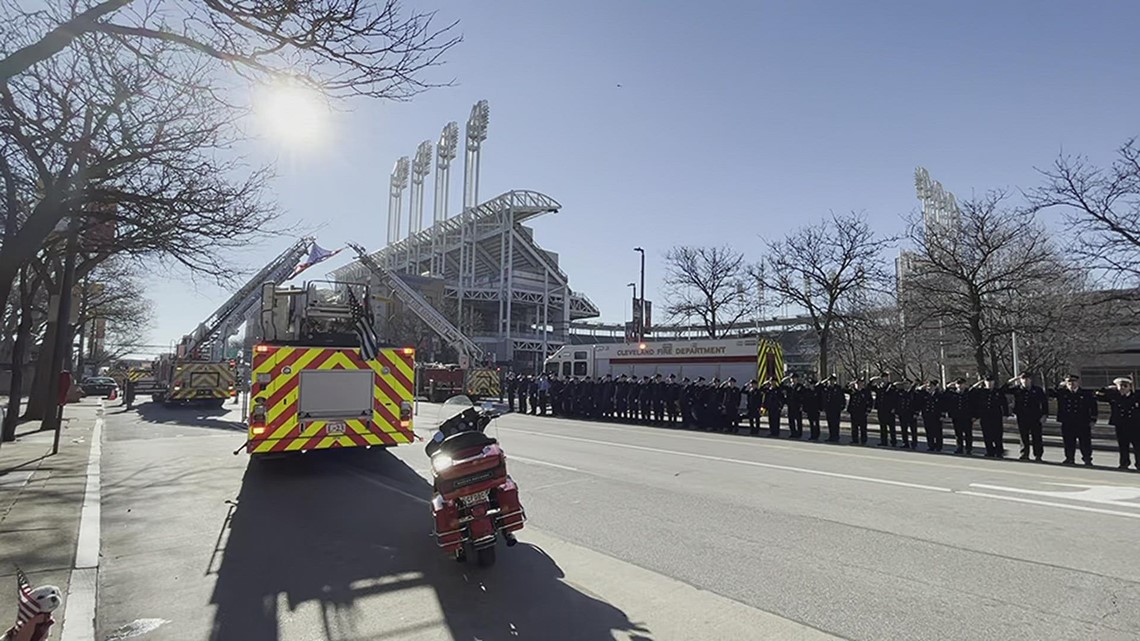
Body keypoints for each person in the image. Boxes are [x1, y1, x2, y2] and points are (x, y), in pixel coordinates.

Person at [1050, 374, 1098, 466]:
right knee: (1068, 441)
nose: (1071, 384)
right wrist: (1059, 386)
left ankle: (1087, 459)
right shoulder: (1062, 393)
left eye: (1073, 382)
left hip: (1082, 421)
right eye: (1069, 382)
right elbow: (1049, 393)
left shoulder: (1086, 394)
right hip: (1067, 421)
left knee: (1085, 442)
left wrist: (1093, 419)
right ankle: (1069, 458)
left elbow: (1093, 407)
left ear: (1078, 382)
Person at [1002, 373, 1050, 461]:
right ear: (1020, 380)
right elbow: (1003, 390)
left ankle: (1038, 455)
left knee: (1037, 437)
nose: (1025, 381)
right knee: (1023, 436)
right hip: (1022, 416)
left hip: (1035, 416)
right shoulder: (1017, 389)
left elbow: (1044, 403)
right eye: (1023, 379)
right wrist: (1012, 381)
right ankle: (1024, 454)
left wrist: (1044, 415)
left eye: (1027, 379)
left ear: (1030, 380)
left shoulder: (1037, 390)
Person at [1095, 377, 1139, 470]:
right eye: (1120, 386)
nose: (1122, 388)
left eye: (1125, 386)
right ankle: (1124, 463)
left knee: (1138, 446)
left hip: (1135, 425)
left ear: (1130, 387)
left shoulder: (1136, 397)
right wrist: (1106, 388)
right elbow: (1097, 395)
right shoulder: (1114, 396)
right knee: (1123, 446)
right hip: (1121, 425)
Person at [971, 375, 1009, 458]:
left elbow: (1004, 403)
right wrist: (979, 382)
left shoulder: (998, 392)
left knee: (998, 434)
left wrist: (1005, 414)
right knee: (987, 435)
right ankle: (990, 451)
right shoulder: (981, 392)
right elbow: (971, 391)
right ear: (984, 382)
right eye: (987, 381)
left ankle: (999, 451)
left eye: (991, 381)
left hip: (996, 416)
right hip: (985, 416)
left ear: (994, 382)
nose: (989, 383)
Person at [944, 379, 974, 454]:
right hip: (956, 417)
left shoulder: (969, 393)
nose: (960, 386)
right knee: (958, 434)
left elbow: (974, 404)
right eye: (958, 384)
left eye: (962, 384)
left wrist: (974, 416)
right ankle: (959, 447)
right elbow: (944, 397)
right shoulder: (953, 393)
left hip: (967, 417)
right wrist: (948, 387)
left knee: (968, 434)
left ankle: (968, 448)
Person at [869, 373, 899, 447]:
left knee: (891, 427)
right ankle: (883, 441)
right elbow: (869, 388)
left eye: (885, 377)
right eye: (883, 378)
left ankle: (893, 442)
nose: (884, 379)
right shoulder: (879, 386)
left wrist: (894, 408)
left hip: (889, 409)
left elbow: (895, 398)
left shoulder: (891, 386)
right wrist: (872, 380)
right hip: (881, 409)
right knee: (882, 426)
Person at [846, 379, 873, 445]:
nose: (859, 385)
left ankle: (863, 440)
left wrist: (868, 410)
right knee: (854, 427)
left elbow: (870, 401)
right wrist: (851, 384)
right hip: (854, 411)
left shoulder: (866, 392)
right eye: (858, 384)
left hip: (862, 412)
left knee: (863, 427)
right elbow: (844, 389)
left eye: (860, 383)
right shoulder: (853, 391)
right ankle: (855, 440)